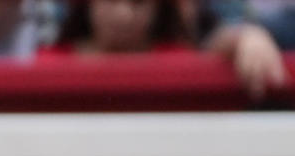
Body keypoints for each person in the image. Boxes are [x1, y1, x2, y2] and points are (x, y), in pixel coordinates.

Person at [49, 0, 287, 96]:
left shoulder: (181, 59)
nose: (123, 14)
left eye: (137, 2)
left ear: (158, 8)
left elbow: (215, 48)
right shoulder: (47, 62)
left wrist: (248, 37)